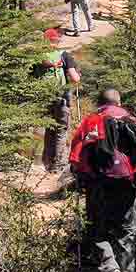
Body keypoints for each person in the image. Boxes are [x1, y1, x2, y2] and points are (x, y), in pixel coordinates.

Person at [69, 88, 136, 272]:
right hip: (128, 185)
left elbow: (76, 155)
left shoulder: (92, 121)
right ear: (119, 102)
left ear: (99, 103)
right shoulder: (135, 122)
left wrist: (82, 177)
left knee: (97, 229)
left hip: (98, 185)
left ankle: (110, 268)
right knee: (126, 234)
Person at [37, 29, 81, 173]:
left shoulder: (38, 57)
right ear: (56, 40)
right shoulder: (64, 55)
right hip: (61, 97)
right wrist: (78, 76)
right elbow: (74, 78)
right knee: (61, 131)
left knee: (49, 129)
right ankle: (58, 166)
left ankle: (47, 163)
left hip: (44, 97)